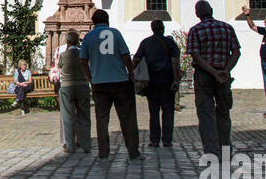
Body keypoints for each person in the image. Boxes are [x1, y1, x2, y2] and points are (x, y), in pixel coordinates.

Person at [79, 9, 140, 159]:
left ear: (93, 22)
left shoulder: (88, 37)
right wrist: (131, 74)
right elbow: (126, 55)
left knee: (101, 119)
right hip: (120, 81)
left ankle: (103, 152)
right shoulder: (115, 33)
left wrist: (90, 78)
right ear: (107, 20)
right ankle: (133, 151)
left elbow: (83, 60)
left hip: (99, 82)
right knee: (127, 118)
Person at [186, 0, 241, 158]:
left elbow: (195, 54)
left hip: (204, 75)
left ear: (197, 13)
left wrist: (212, 72)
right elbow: (236, 52)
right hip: (223, 76)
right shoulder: (227, 28)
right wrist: (225, 70)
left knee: (206, 115)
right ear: (211, 10)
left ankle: (212, 152)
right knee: (224, 113)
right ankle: (225, 149)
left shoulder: (195, 30)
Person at [133, 20, 180, 149]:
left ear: (152, 29)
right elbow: (175, 61)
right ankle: (167, 140)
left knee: (153, 111)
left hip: (152, 80)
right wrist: (176, 80)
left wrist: (136, 74)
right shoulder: (170, 42)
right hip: (167, 79)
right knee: (168, 111)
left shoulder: (146, 42)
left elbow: (136, 59)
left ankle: (154, 140)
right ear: (163, 28)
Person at [58, 30, 91, 154]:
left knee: (68, 117)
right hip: (82, 85)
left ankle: (70, 146)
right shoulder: (83, 53)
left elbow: (60, 66)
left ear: (67, 41)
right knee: (84, 116)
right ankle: (86, 144)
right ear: (78, 41)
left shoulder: (63, 54)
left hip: (67, 86)